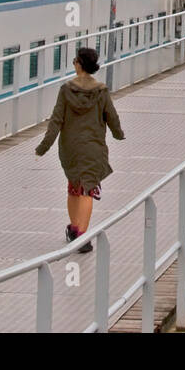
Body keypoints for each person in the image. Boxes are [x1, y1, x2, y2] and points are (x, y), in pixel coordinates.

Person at [35, 47, 124, 254]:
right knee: (88, 189)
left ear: (78, 64)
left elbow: (56, 121)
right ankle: (82, 235)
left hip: (70, 148)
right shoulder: (101, 90)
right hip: (93, 147)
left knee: (74, 186)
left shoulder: (66, 89)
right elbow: (112, 116)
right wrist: (119, 134)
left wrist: (43, 147)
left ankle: (74, 229)